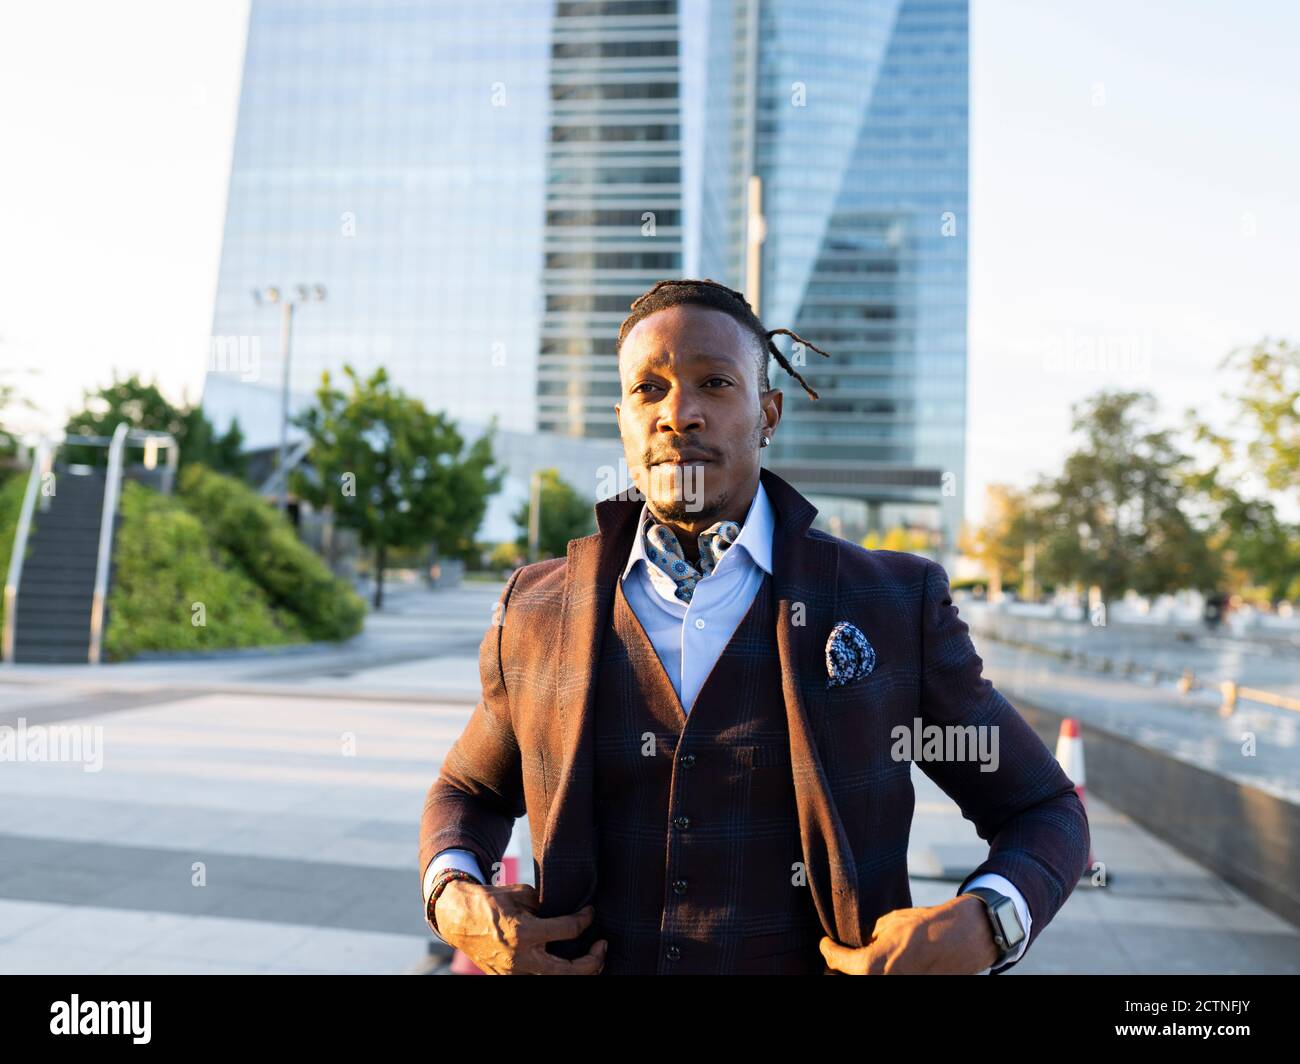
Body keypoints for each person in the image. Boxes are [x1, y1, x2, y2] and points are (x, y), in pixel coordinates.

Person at [419, 278, 1090, 975]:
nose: (680, 413)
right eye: (650, 390)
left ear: (769, 413)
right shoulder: (536, 608)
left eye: (714, 382)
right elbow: (467, 791)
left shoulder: (893, 604)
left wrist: (991, 919)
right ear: (621, 420)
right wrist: (452, 895)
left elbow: (1044, 806)